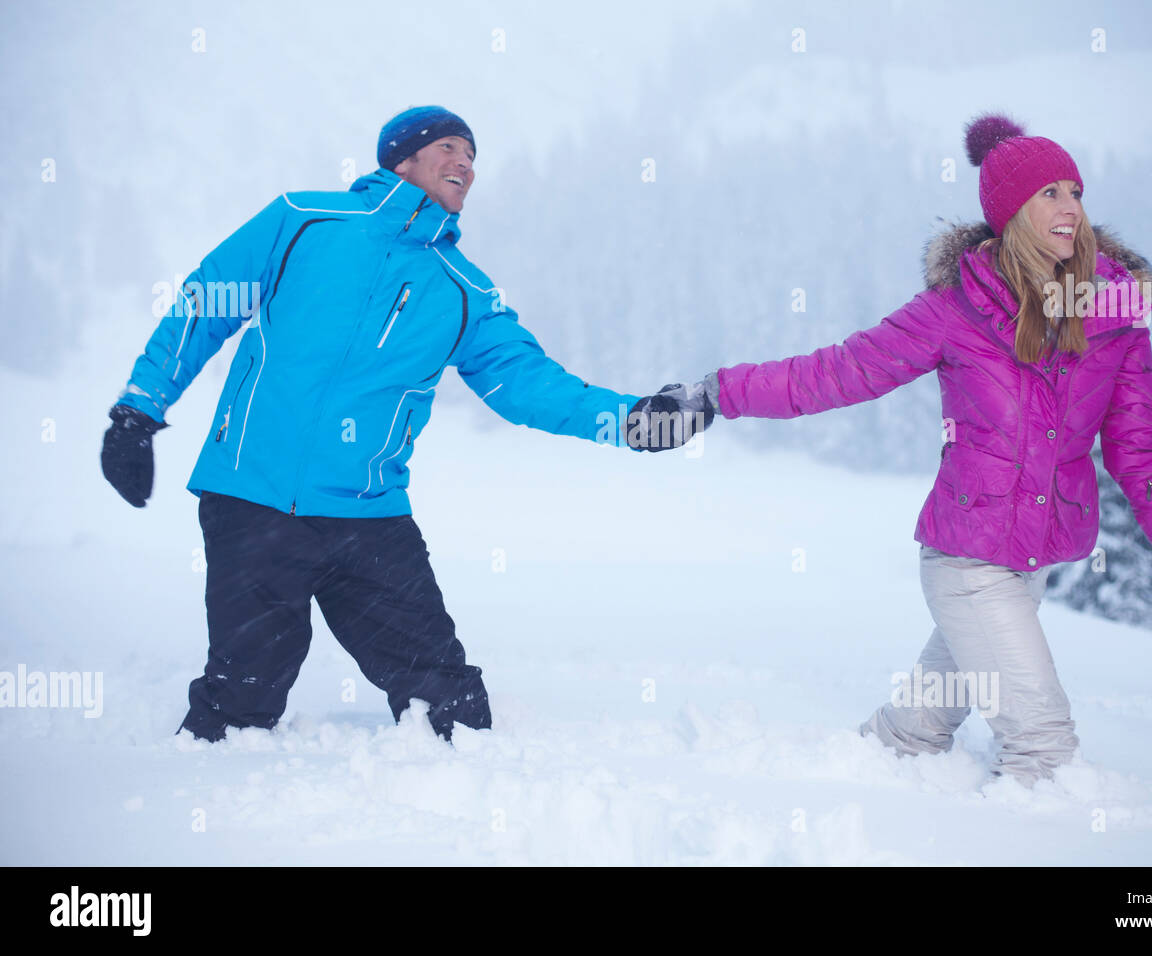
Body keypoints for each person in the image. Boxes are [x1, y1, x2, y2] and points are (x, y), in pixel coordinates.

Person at [658, 113, 1152, 787]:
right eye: (1048, 194)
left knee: (915, 733)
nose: (1069, 209)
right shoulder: (957, 307)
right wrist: (713, 393)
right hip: (967, 564)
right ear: (1010, 213)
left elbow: (1137, 449)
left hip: (1032, 564)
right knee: (1045, 754)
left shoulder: (1113, 312)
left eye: (1075, 192)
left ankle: (859, 779)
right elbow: (834, 372)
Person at [100, 105, 709, 744]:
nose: (465, 165)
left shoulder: (464, 291)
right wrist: (139, 409)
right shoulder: (303, 220)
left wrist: (630, 421)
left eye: (472, 157)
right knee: (240, 707)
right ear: (401, 157)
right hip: (252, 499)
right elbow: (207, 301)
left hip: (369, 519)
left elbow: (529, 384)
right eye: (449, 147)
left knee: (452, 709)